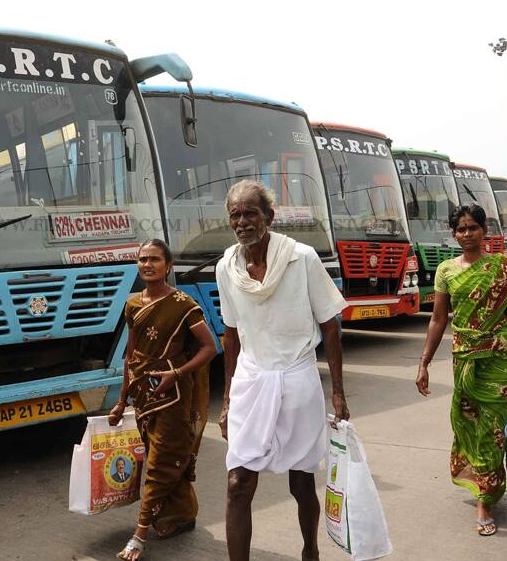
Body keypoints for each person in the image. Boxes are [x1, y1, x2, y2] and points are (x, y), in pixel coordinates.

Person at [215, 179, 348, 561]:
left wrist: (338, 392)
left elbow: (330, 327)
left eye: (250, 213)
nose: (242, 222)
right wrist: (227, 399)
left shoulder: (301, 258)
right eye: (235, 215)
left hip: (297, 379)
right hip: (251, 380)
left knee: (301, 484)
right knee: (238, 482)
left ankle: (310, 551)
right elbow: (231, 336)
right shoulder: (227, 267)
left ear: (269, 217)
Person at [415, 204, 507, 537]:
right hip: (466, 359)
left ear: (485, 230)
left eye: (473, 227)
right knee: (468, 424)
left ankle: (485, 499)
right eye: (461, 228)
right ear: (454, 234)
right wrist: (424, 362)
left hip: (501, 359)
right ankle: (487, 483)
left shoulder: (504, 268)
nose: (467, 233)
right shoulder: (445, 270)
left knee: (492, 428)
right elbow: (438, 320)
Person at [109, 239, 218, 561]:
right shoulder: (133, 305)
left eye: (154, 259)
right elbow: (130, 356)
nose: (147, 264)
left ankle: (140, 534)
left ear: (168, 266)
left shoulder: (184, 305)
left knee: (160, 464)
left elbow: (209, 347)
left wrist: (177, 372)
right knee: (168, 459)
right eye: (143, 259)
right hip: (143, 395)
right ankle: (181, 515)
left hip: (173, 396)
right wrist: (122, 400)